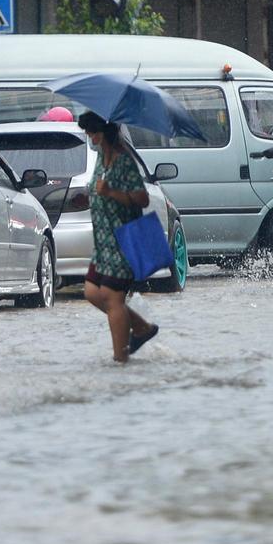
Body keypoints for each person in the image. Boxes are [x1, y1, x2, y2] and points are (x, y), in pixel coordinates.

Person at [77, 111, 159, 363]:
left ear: (103, 131)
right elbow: (98, 188)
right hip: (103, 242)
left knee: (113, 298)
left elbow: (142, 198)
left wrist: (112, 192)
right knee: (92, 291)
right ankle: (142, 328)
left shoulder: (124, 160)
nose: (89, 137)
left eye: (91, 132)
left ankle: (120, 359)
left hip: (122, 240)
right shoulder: (103, 156)